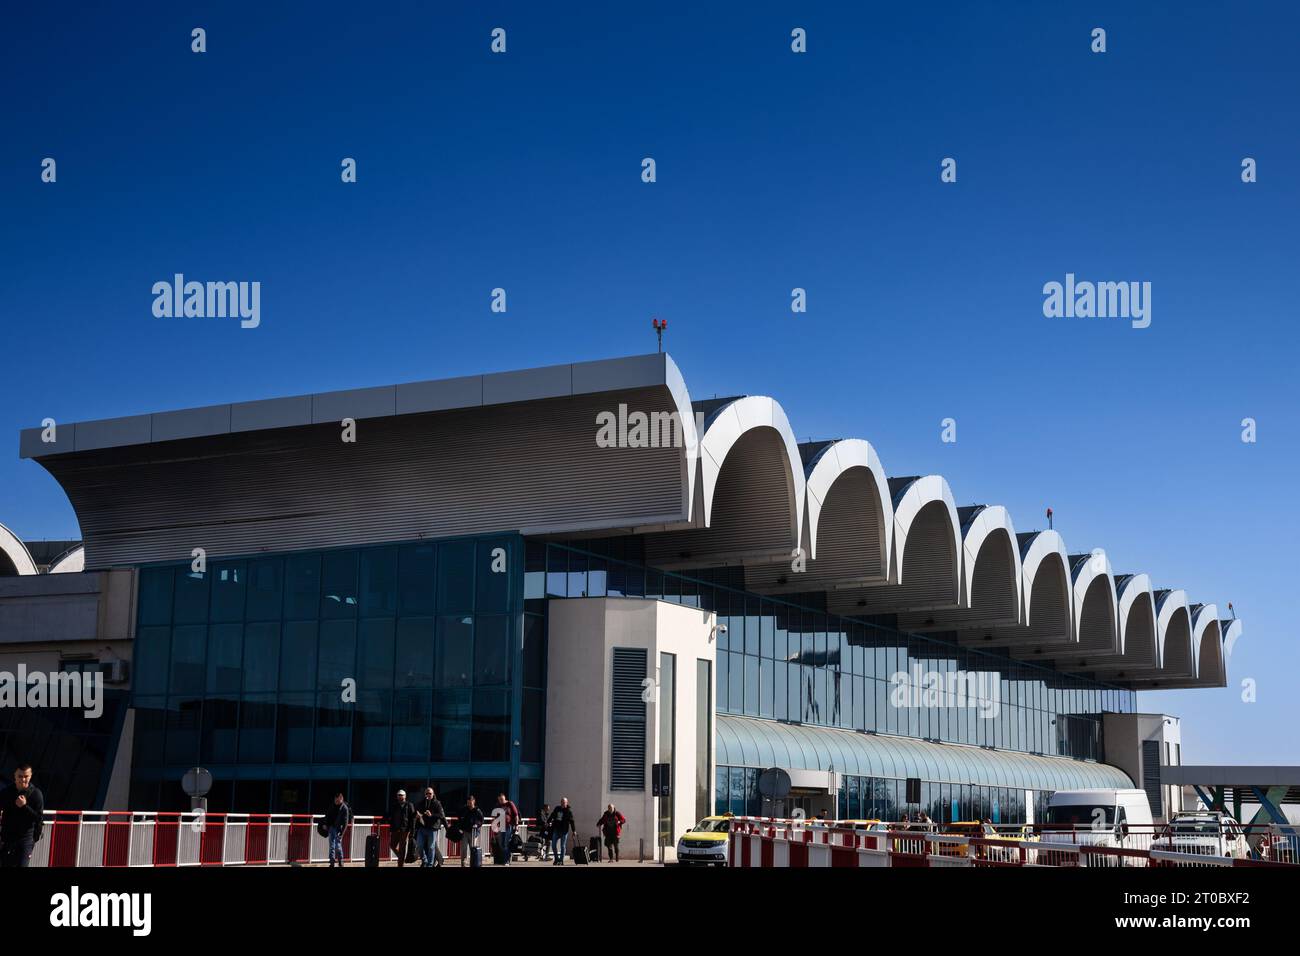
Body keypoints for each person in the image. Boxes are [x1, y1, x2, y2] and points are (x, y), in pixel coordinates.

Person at [0, 764, 45, 868]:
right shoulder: (6, 792)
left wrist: (25, 806)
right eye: (20, 776)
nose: (23, 779)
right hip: (7, 838)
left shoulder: (36, 794)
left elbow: (39, 818)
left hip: (26, 839)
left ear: (31, 776)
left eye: (26, 776)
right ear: (14, 776)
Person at [414, 787, 447, 868]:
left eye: (430, 793)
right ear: (424, 794)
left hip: (432, 828)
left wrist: (431, 815)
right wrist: (417, 815)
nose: (428, 795)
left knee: (431, 847)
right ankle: (424, 860)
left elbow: (441, 815)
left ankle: (430, 864)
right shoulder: (421, 803)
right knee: (419, 846)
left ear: (433, 794)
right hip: (422, 827)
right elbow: (416, 812)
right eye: (427, 793)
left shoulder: (437, 803)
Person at [387, 789, 415, 867]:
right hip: (395, 829)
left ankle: (400, 864)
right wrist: (382, 820)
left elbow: (413, 818)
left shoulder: (409, 805)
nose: (400, 797)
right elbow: (388, 814)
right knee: (392, 845)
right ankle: (402, 857)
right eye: (399, 795)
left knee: (402, 847)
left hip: (405, 829)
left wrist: (412, 830)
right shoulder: (394, 805)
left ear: (405, 796)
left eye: (402, 795)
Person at [324, 791, 350, 868]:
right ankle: (332, 862)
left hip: (339, 829)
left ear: (342, 799)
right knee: (331, 846)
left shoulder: (344, 808)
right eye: (335, 800)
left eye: (338, 800)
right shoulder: (332, 805)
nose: (336, 802)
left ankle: (340, 860)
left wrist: (342, 833)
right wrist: (325, 824)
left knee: (337, 846)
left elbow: (345, 822)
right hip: (331, 828)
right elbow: (327, 815)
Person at [548, 797, 577, 865]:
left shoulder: (569, 811)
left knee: (562, 846)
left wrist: (574, 831)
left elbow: (572, 821)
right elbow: (552, 815)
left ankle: (561, 860)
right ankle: (556, 859)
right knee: (553, 845)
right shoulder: (557, 808)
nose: (563, 804)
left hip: (564, 831)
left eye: (564, 802)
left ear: (567, 803)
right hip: (556, 830)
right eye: (562, 802)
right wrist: (547, 822)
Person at [457, 796, 484, 867]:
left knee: (473, 848)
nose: (469, 804)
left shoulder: (477, 810)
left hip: (473, 831)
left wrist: (477, 825)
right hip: (464, 831)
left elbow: (481, 820)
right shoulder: (464, 809)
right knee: (463, 848)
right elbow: (459, 819)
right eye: (468, 802)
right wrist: (460, 828)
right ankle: (463, 863)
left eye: (470, 802)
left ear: (474, 801)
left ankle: (473, 863)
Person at [495, 792, 521, 865]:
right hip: (501, 826)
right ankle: (506, 858)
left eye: (502, 799)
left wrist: (516, 825)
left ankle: (506, 860)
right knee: (501, 844)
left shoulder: (510, 804)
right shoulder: (498, 806)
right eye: (500, 800)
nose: (501, 801)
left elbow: (516, 815)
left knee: (506, 843)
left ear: (504, 798)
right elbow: (496, 817)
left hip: (509, 826)